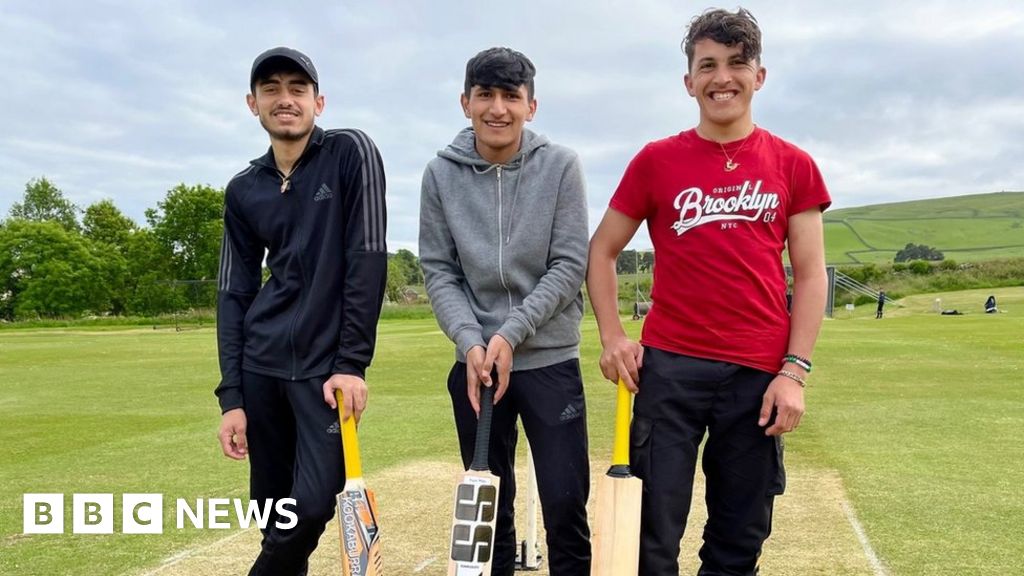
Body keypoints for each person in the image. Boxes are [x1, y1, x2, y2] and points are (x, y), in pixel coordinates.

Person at [586, 8, 831, 575]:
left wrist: (794, 371)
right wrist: (613, 336)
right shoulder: (656, 160)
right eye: (708, 65)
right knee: (651, 536)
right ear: (689, 81)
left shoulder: (794, 165)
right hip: (669, 369)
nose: (723, 77)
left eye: (737, 64)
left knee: (739, 538)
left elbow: (812, 273)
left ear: (759, 76)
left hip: (758, 375)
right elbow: (602, 251)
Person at [215, 46, 387, 576]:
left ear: (319, 101)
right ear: (253, 103)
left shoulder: (350, 152)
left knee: (311, 505)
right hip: (261, 366)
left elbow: (367, 257)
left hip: (323, 370)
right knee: (272, 513)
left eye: (297, 88)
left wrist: (352, 362)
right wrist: (232, 396)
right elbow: (233, 294)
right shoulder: (244, 189)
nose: (284, 99)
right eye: (271, 89)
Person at [419, 47, 591, 575]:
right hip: (474, 366)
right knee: (490, 513)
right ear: (465, 102)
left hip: (548, 361)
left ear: (530, 107)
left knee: (566, 506)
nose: (498, 108)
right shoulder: (439, 174)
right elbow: (438, 269)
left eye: (511, 97)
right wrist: (472, 339)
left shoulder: (561, 166)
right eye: (486, 95)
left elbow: (568, 263)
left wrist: (512, 332)